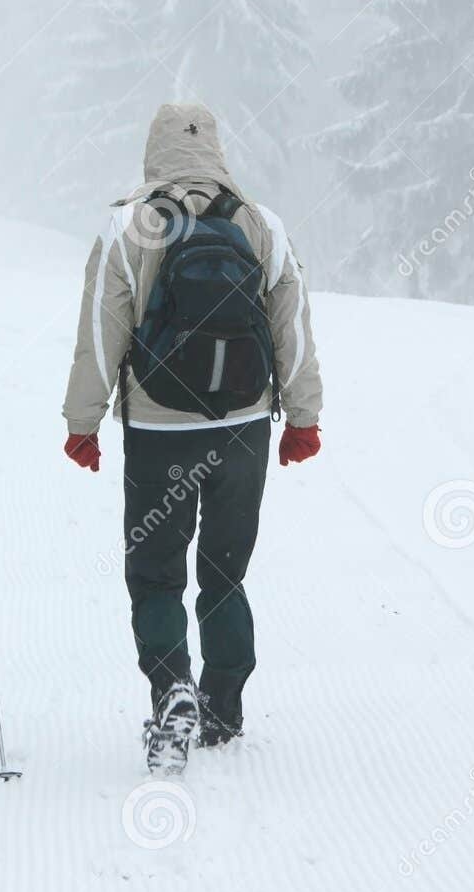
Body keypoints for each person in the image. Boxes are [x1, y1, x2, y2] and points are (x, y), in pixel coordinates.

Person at [62, 102, 322, 773]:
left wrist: (82, 423)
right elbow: (290, 330)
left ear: (152, 153)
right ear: (217, 150)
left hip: (157, 427)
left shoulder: (127, 226)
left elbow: (100, 335)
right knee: (225, 573)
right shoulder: (263, 224)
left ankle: (171, 692)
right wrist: (301, 417)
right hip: (241, 427)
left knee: (154, 574)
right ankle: (224, 706)